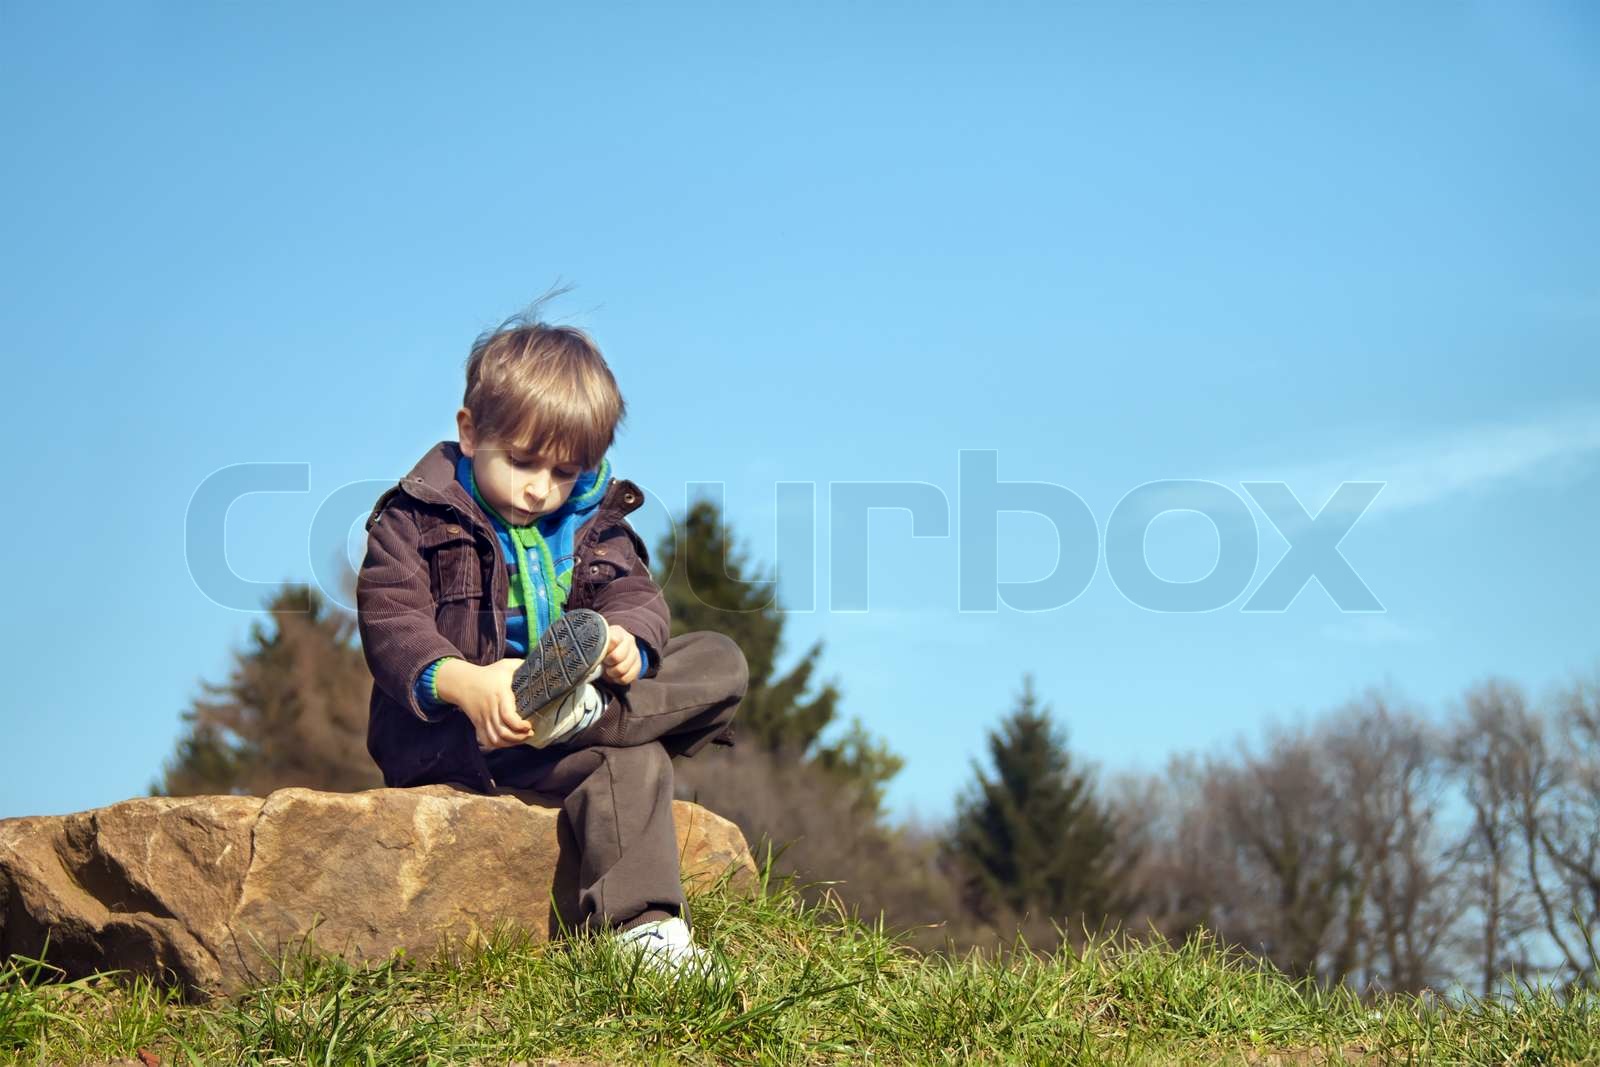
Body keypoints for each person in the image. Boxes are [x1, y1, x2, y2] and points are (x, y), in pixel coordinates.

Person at [356, 305, 748, 975]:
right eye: (524, 462)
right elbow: (390, 620)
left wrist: (631, 642)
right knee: (641, 752)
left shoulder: (595, 520)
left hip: (564, 739)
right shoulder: (415, 516)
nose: (541, 488)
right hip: (467, 740)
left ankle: (641, 936)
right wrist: (464, 682)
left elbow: (634, 594)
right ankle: (578, 714)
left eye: (564, 472)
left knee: (718, 662)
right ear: (469, 430)